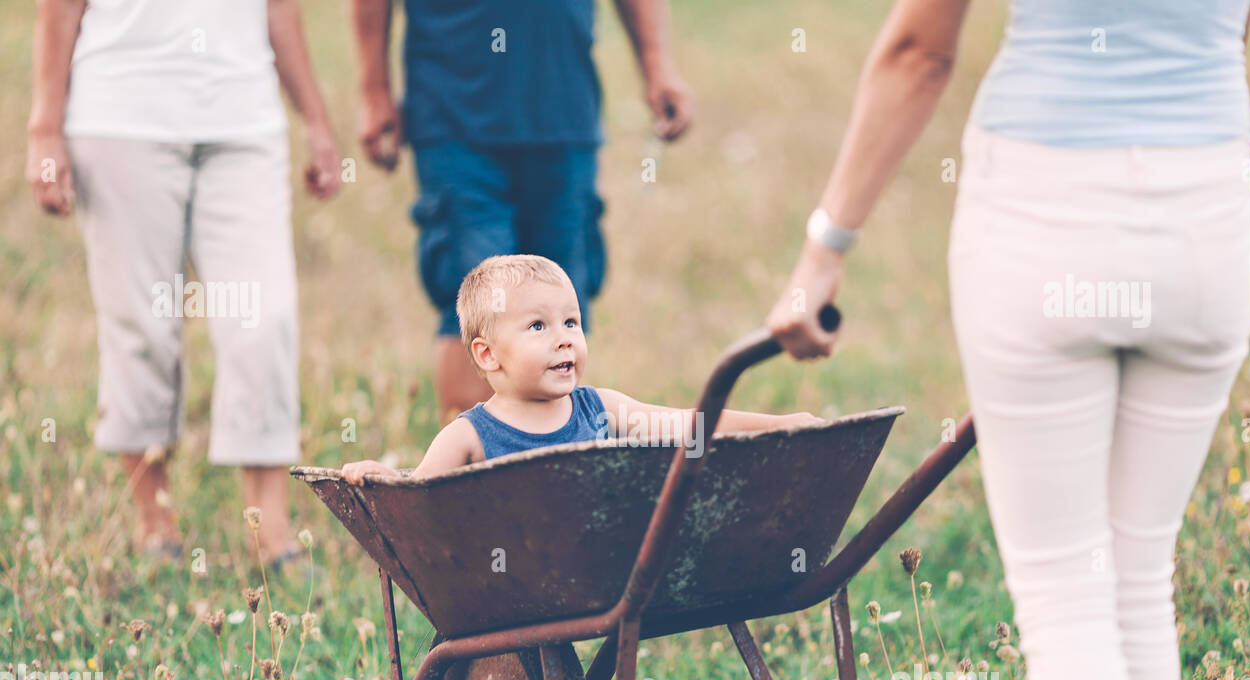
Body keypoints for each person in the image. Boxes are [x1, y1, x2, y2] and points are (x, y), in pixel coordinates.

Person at [764, 0, 1250, 680]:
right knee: (1139, 574)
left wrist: (823, 250)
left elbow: (919, 50)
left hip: (1045, 211)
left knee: (1068, 596)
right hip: (1206, 213)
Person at [26, 0, 341, 570]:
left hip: (244, 121)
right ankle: (155, 518)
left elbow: (280, 9)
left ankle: (268, 528)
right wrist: (44, 128)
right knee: (142, 323)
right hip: (120, 118)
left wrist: (316, 120)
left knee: (263, 319)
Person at [351, 0, 694, 426]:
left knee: (560, 300)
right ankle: (470, 476)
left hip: (563, 110)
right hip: (455, 113)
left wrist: (657, 63)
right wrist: (374, 89)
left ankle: (552, 470)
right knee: (476, 304)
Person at [341, 254, 817, 482]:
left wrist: (779, 427)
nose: (565, 336)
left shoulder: (600, 410)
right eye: (537, 326)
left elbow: (689, 427)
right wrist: (387, 477)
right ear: (488, 355)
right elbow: (422, 494)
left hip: (600, 569)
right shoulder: (469, 436)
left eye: (572, 321)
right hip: (508, 574)